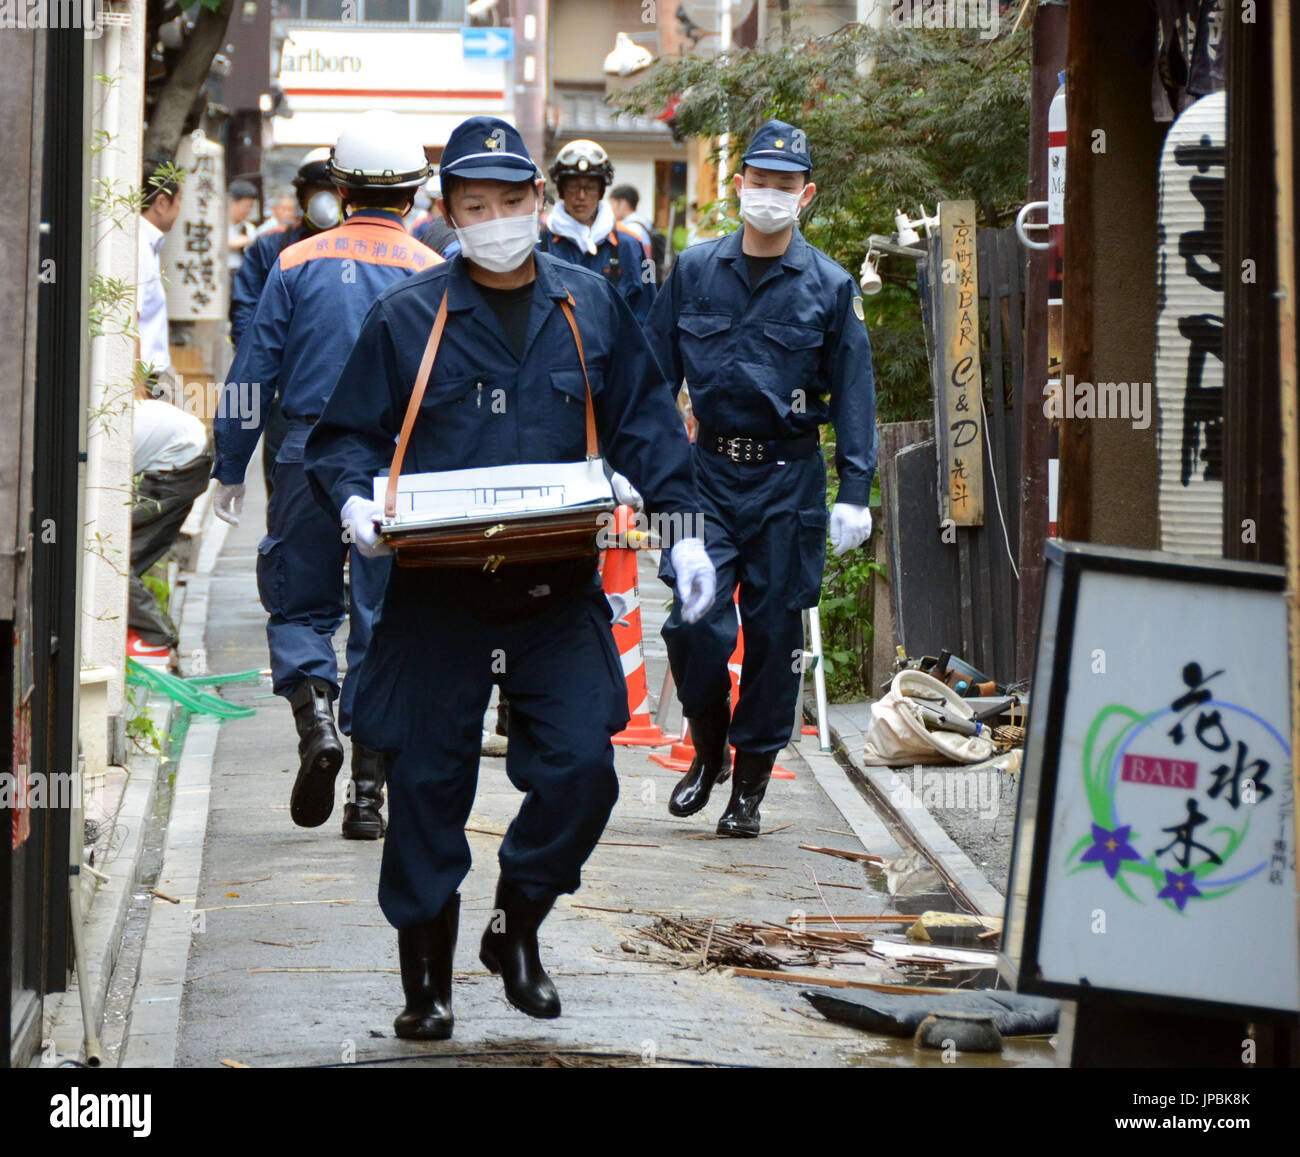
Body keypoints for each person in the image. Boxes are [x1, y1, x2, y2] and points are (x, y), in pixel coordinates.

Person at [302, 115, 715, 1040]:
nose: (495, 220)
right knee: (425, 787)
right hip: (435, 596)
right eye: (472, 205)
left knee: (583, 771)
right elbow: (346, 439)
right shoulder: (407, 316)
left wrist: (686, 536)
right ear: (446, 213)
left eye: (509, 201)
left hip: (552, 588)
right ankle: (426, 982)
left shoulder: (589, 307)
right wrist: (353, 505)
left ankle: (515, 923)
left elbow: (649, 426)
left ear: (539, 201)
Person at [644, 119, 878, 838]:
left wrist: (855, 491)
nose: (769, 196)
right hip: (704, 476)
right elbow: (653, 379)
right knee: (691, 622)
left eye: (785, 186)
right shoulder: (693, 270)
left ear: (804, 195)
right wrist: (639, 471)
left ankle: (748, 785)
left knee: (775, 639)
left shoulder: (830, 287)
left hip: (789, 480)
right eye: (759, 182)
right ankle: (708, 745)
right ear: (739, 184)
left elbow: (856, 391)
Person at [211, 112, 440, 843]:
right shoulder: (435, 272)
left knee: (302, 606)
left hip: (307, 454)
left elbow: (253, 375)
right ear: (413, 195)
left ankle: (316, 726)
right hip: (396, 467)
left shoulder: (294, 262)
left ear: (339, 189)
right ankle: (368, 798)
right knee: (383, 623)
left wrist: (228, 465)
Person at [229, 148, 342, 496]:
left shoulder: (362, 249)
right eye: (316, 190)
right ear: (302, 195)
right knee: (286, 498)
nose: (325, 200)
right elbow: (247, 322)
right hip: (287, 401)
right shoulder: (270, 247)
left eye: (334, 190)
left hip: (348, 398)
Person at [127, 387, 213, 668]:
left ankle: (156, 639)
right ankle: (158, 639)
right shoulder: (121, 411)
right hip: (188, 461)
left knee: (115, 563)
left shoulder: (100, 431)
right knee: (133, 557)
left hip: (176, 468)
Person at [538, 139, 656, 322]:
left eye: (590, 188)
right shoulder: (538, 242)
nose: (581, 196)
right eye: (573, 187)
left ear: (601, 191)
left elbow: (648, 314)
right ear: (561, 189)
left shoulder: (629, 244)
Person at [138, 156, 184, 394]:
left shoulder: (149, 244)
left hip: (150, 377)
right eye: (179, 201)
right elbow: (130, 320)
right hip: (141, 379)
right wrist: (135, 388)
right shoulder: (137, 246)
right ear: (162, 202)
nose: (179, 211)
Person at [608, 183, 665, 285]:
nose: (611, 208)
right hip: (648, 279)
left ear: (622, 203)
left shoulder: (629, 230)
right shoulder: (645, 225)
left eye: (612, 203)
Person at [227, 178, 259, 274]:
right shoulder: (217, 227)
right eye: (247, 206)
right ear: (233, 202)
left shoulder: (249, 228)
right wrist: (228, 244)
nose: (248, 211)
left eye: (251, 207)